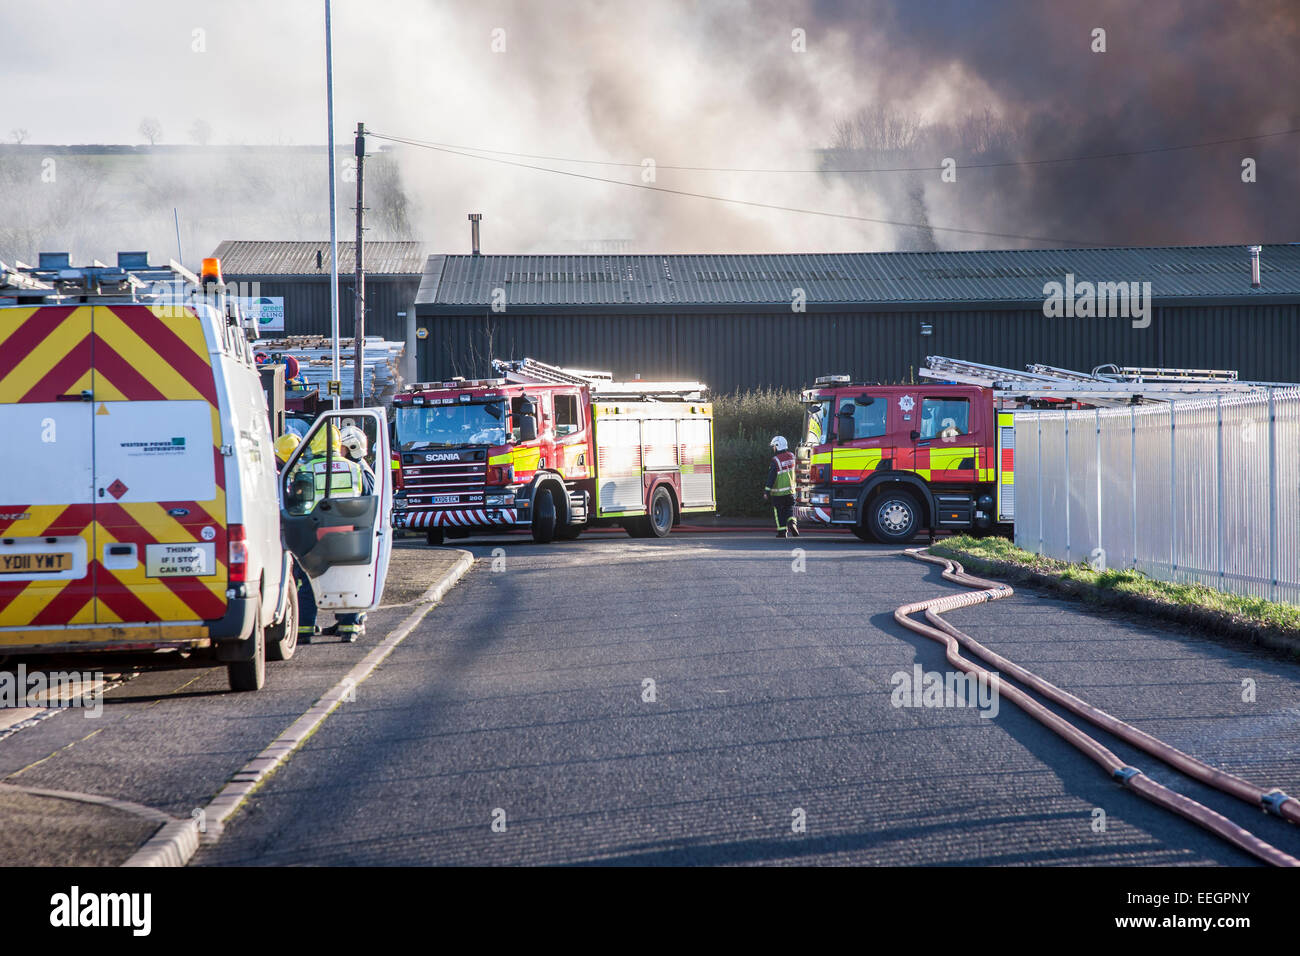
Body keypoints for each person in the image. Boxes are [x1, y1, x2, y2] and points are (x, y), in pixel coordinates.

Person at [764, 435, 799, 539]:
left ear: (778, 446)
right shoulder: (792, 456)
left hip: (778, 493)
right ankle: (792, 522)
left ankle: (782, 532)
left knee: (779, 512)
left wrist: (767, 491)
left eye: (774, 446)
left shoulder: (775, 460)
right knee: (790, 509)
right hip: (791, 491)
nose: (773, 448)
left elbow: (771, 476)